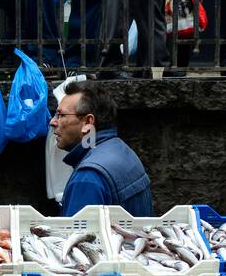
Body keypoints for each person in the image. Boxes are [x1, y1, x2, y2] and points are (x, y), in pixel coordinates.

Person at [50, 80, 153, 216]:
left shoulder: (87, 178)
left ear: (88, 122)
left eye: (61, 115)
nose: (53, 122)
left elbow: (78, 236)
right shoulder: (120, 149)